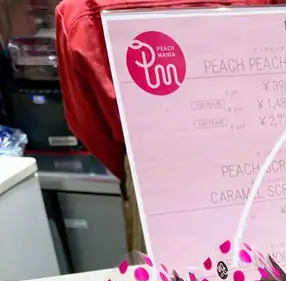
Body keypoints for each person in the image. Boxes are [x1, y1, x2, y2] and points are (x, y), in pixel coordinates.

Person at [55, 0, 272, 252]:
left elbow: (88, 125)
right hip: (246, 165)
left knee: (165, 273)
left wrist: (131, 168)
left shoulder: (80, 9)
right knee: (257, 269)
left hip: (151, 174)